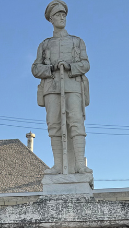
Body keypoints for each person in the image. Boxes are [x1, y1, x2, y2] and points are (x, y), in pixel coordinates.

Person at [31, 0, 92, 175]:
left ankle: (80, 164)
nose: (62, 17)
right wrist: (51, 68)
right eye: (58, 15)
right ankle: (58, 165)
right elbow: (35, 68)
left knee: (76, 122)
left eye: (63, 14)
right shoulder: (44, 45)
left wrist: (70, 66)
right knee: (54, 125)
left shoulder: (77, 41)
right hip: (51, 87)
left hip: (73, 86)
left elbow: (86, 64)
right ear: (51, 19)